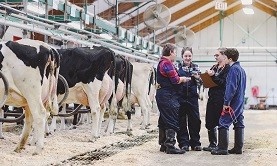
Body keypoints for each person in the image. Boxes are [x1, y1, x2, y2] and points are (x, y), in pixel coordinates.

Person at [156, 43, 191, 154]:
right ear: (170, 52)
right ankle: (170, 145)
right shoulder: (167, 63)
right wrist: (184, 79)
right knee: (171, 119)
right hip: (168, 94)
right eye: (175, 52)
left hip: (163, 94)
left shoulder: (162, 62)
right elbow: (175, 80)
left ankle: (163, 144)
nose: (175, 54)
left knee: (164, 119)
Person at [211, 48, 246, 155]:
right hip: (240, 101)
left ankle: (222, 148)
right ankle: (238, 148)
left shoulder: (233, 70)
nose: (223, 59)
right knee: (238, 123)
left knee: (223, 123)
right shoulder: (241, 69)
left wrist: (226, 102)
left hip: (233, 102)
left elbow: (231, 88)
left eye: (225, 57)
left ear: (230, 59)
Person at [203, 48, 230, 152]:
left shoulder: (227, 68)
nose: (215, 57)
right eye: (214, 55)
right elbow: (210, 82)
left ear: (224, 56)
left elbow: (223, 83)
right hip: (212, 96)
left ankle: (220, 145)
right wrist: (205, 77)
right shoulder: (214, 67)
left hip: (220, 97)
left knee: (220, 121)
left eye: (217, 55)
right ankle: (212, 143)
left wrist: (213, 75)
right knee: (209, 120)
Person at [177, 47, 202, 151]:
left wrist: (198, 78)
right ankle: (184, 143)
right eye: (185, 56)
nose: (187, 58)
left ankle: (195, 143)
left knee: (195, 120)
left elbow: (201, 83)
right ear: (182, 57)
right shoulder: (177, 67)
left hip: (192, 98)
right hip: (180, 97)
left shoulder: (196, 67)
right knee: (181, 120)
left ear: (192, 56)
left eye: (189, 56)